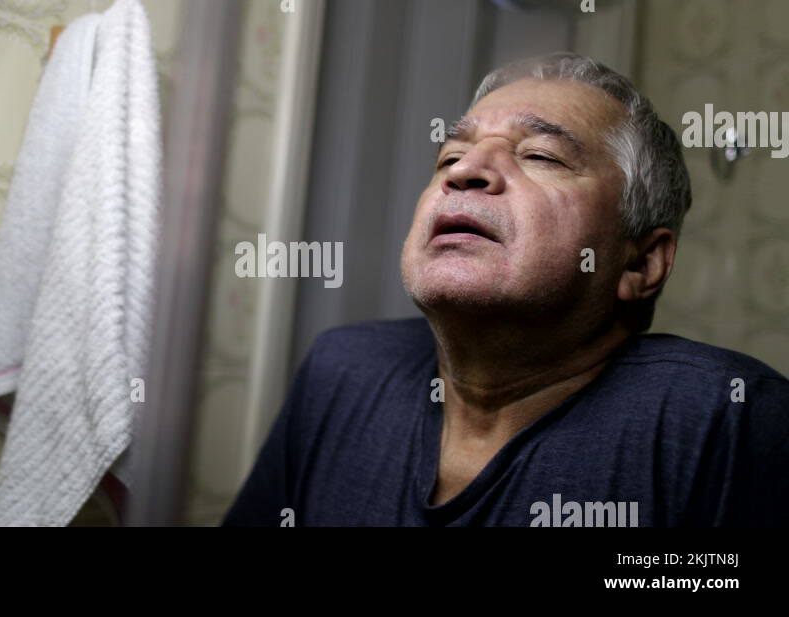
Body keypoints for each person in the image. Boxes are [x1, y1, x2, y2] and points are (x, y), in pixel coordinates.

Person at [222, 52, 789, 527]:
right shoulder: (341, 368)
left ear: (640, 262)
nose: (465, 171)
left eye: (540, 155)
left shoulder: (728, 417)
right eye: (450, 154)